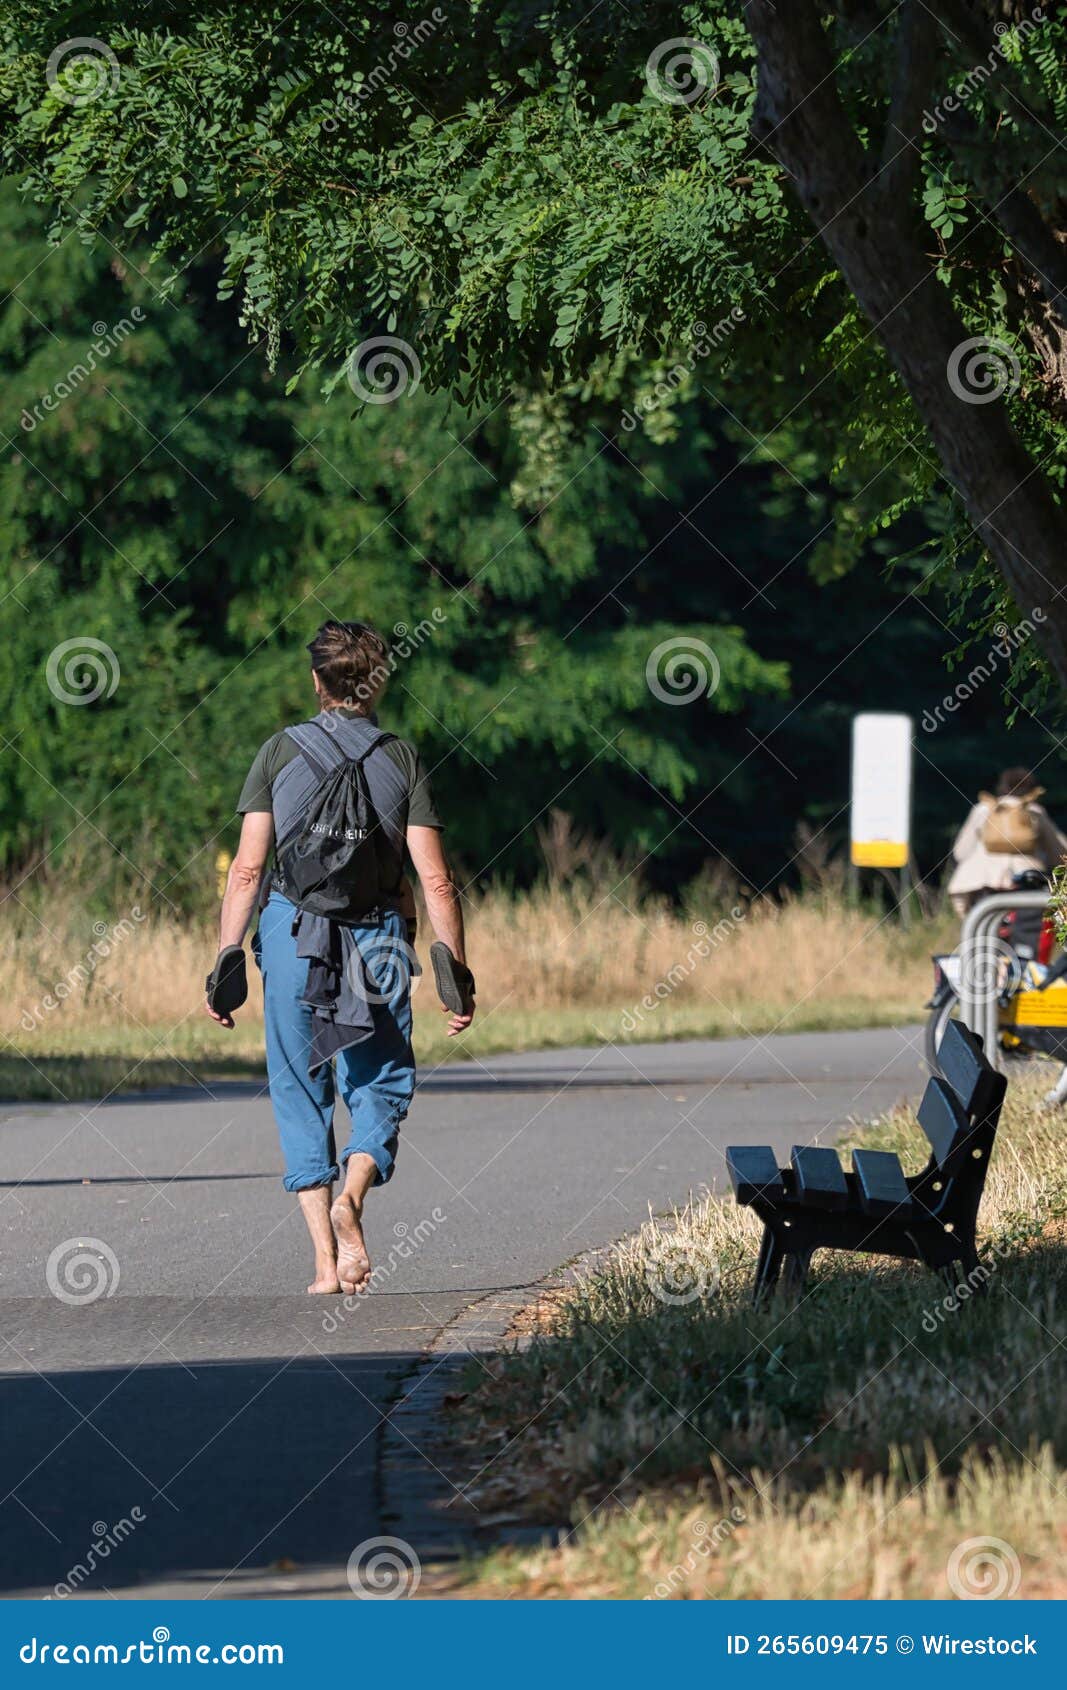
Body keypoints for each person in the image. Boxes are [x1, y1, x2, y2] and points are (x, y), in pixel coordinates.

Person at [205, 619, 474, 1294]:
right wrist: (455, 972)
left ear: (316, 681)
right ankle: (351, 1195)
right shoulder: (401, 758)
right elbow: (436, 879)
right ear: (376, 683)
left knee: (299, 1087)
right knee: (381, 1075)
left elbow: (247, 870)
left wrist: (226, 959)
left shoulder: (278, 751)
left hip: (292, 934)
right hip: (376, 936)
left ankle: (326, 1264)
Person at [947, 766, 1067, 918]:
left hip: (978, 885)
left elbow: (960, 852)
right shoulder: (1034, 811)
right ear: (1032, 791)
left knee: (977, 926)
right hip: (1026, 883)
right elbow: (1060, 854)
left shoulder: (982, 809)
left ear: (1001, 787)